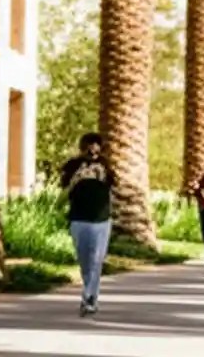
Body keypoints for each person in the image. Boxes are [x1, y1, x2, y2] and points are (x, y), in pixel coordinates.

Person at [60, 133, 114, 317]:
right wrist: (77, 178)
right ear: (83, 147)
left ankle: (89, 297)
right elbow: (64, 190)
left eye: (96, 145)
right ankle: (89, 292)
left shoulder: (106, 166)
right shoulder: (72, 165)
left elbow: (113, 187)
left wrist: (100, 174)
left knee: (96, 260)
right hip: (79, 219)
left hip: (102, 220)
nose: (93, 150)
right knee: (85, 261)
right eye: (89, 146)